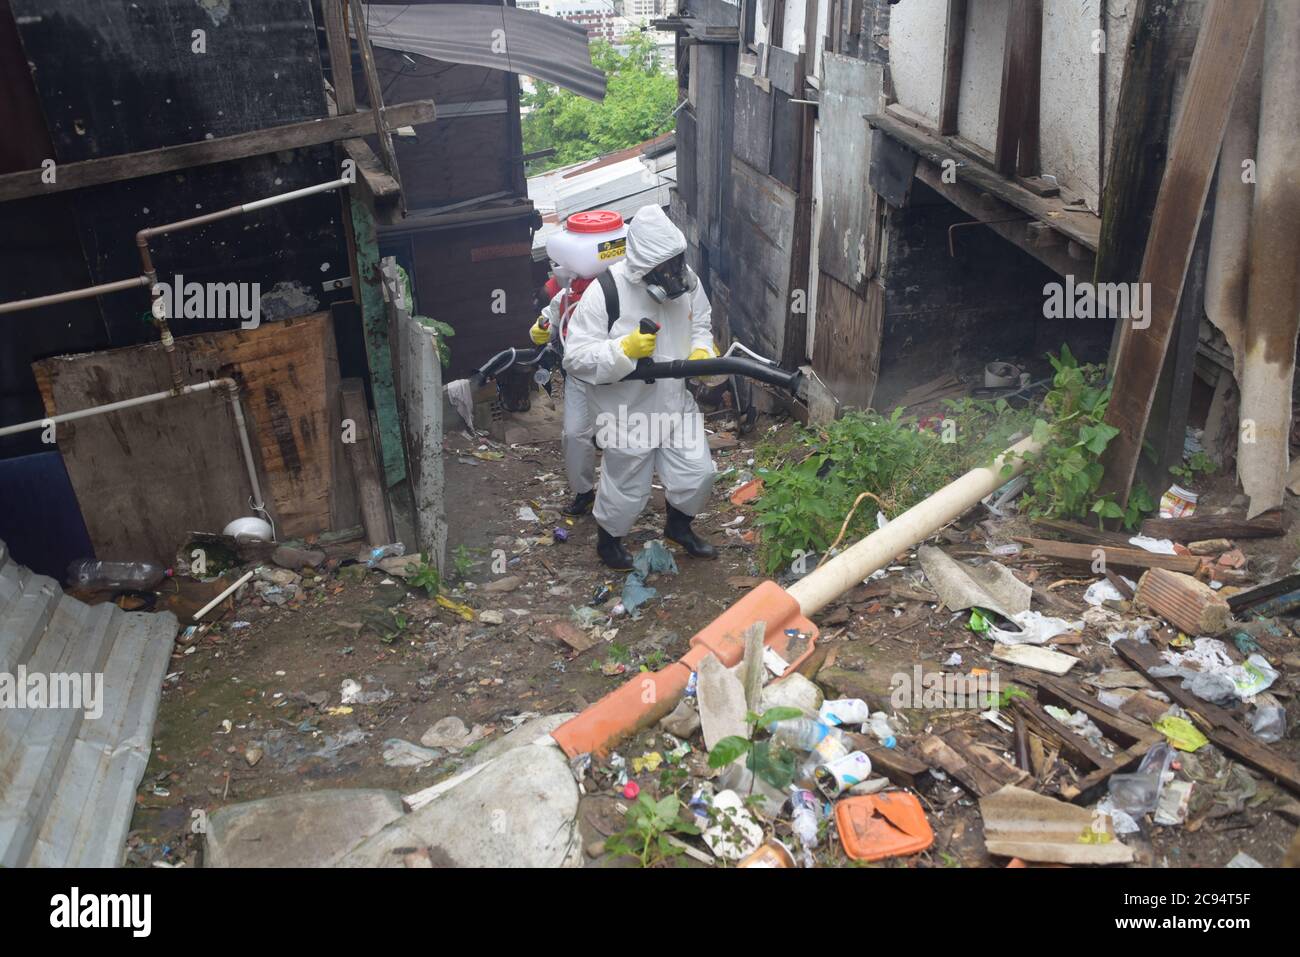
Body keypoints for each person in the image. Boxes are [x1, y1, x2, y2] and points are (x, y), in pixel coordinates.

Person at [563, 204, 718, 570]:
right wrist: (624, 350)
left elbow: (702, 321)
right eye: (664, 269)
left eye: (676, 263)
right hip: (625, 410)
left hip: (674, 401)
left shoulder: (685, 280)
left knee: (698, 472)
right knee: (627, 489)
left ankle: (679, 528)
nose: (673, 274)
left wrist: (701, 349)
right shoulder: (605, 291)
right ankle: (608, 542)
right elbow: (577, 357)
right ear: (643, 269)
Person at [529, 270, 598, 516]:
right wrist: (539, 329)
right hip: (578, 374)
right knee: (574, 434)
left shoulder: (624, 288)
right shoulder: (566, 296)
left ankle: (623, 500)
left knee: (622, 437)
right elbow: (546, 321)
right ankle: (584, 492)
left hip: (617, 376)